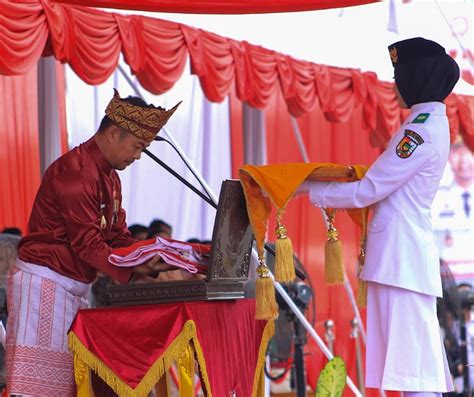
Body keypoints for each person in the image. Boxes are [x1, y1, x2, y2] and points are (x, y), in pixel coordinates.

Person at [297, 37, 460, 396]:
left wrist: (304, 187)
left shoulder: (419, 131)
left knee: (412, 372)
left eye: (398, 74)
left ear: (416, 77)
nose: (394, 83)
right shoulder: (424, 123)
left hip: (401, 259)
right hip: (402, 258)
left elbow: (368, 190)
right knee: (411, 370)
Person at [5, 89, 180, 397]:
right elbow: (87, 245)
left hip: (71, 288)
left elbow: (117, 236)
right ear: (113, 133)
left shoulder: (109, 177)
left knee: (68, 387)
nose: (138, 156)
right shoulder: (76, 174)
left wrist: (154, 255)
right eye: (137, 146)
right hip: (45, 287)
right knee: (39, 390)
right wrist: (135, 269)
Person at [432, 139, 474, 286]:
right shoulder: (436, 195)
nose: (463, 159)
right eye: (457, 151)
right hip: (448, 284)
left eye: (468, 150)